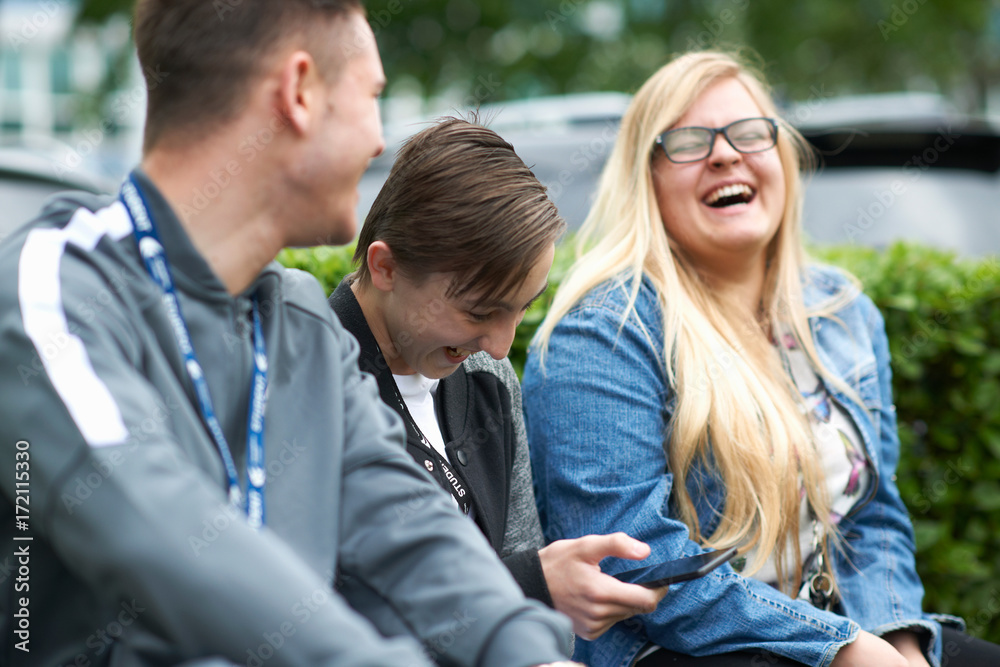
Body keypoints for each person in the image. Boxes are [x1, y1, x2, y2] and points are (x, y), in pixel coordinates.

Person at [0, 2, 578, 665]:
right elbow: (159, 528)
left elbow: (409, 523)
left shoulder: (300, 321)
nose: (377, 143)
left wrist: (531, 651)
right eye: (373, 98)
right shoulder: (54, 292)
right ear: (299, 92)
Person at [522, 51, 1000, 667]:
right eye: (689, 142)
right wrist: (847, 650)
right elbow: (633, 562)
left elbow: (872, 521)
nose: (726, 154)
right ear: (647, 177)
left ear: (782, 156)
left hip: (849, 634)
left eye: (751, 133)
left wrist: (899, 640)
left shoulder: (842, 311)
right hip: (686, 650)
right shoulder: (602, 332)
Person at [328, 117, 668, 642]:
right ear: (385, 268)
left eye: (523, 309)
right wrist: (532, 584)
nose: (502, 345)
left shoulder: (488, 377)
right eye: (479, 311)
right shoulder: (310, 384)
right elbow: (326, 620)